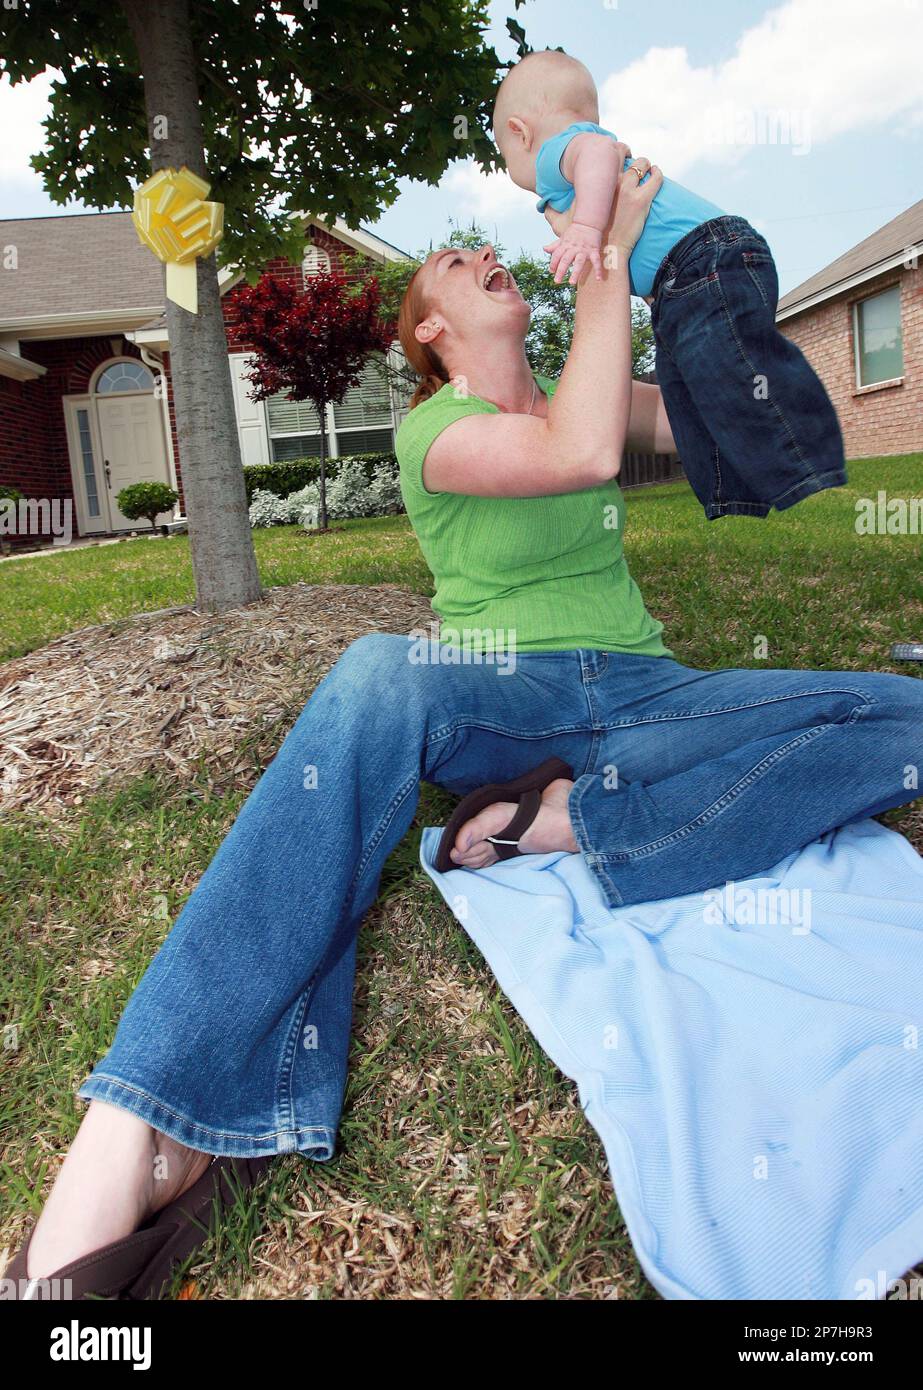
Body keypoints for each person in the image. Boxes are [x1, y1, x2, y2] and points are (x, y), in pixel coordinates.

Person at [7, 163, 922, 1301]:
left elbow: (754, 429)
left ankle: (571, 821)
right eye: (451, 263)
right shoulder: (436, 428)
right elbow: (576, 457)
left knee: (895, 709)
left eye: (478, 247)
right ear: (433, 331)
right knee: (376, 673)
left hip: (644, 694)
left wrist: (684, 273)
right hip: (500, 687)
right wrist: (602, 270)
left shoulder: (589, 387)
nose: (480, 252)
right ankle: (141, 1125)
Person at [492, 48, 847, 520]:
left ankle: (806, 461)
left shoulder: (564, 147)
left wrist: (586, 229)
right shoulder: (571, 177)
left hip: (705, 257)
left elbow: (599, 155)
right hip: (678, 286)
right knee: (687, 392)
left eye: (504, 154)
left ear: (521, 131)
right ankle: (736, 491)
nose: (510, 168)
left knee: (729, 365)